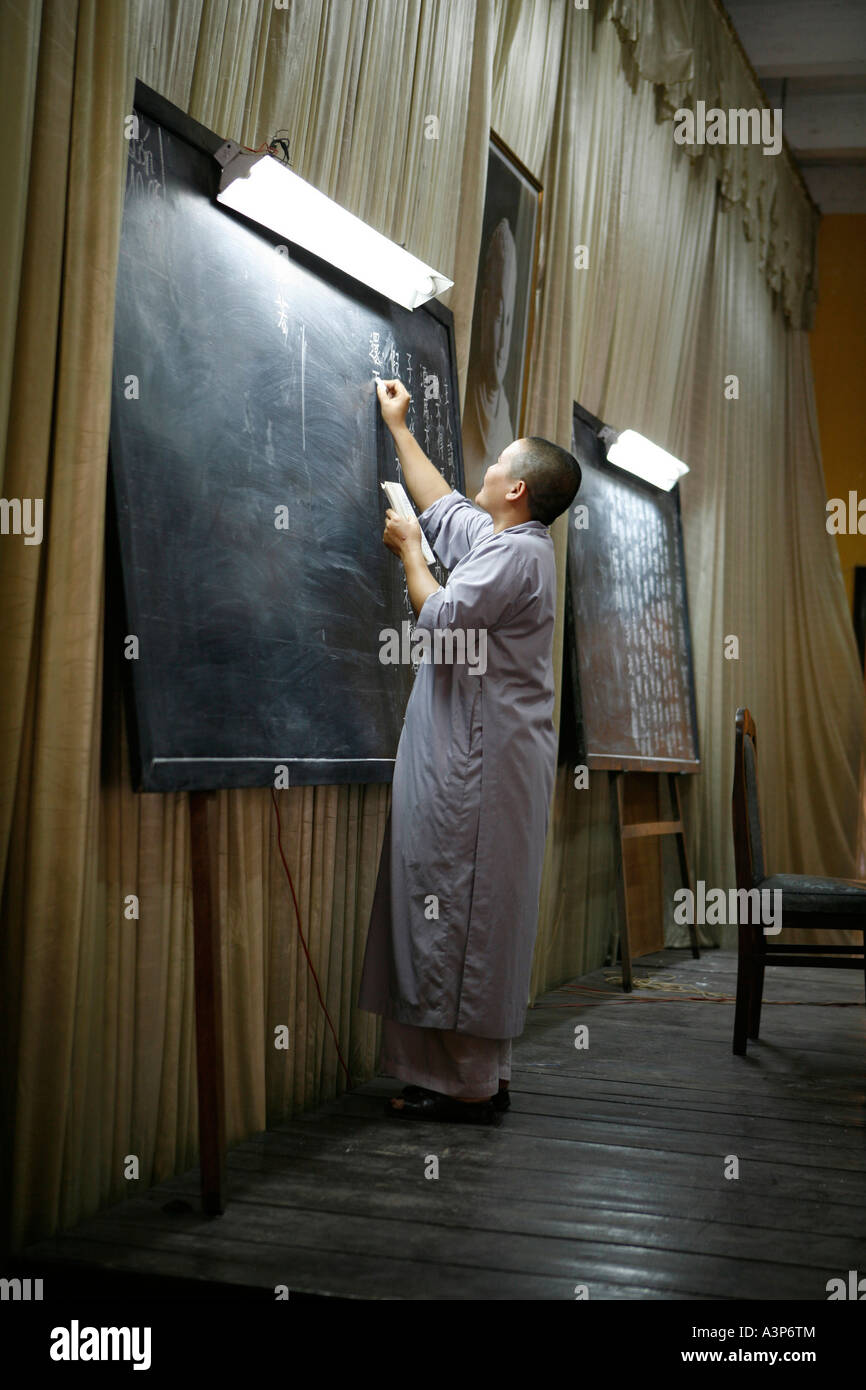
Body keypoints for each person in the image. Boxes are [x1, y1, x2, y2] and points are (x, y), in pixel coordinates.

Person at [358, 376, 581, 1124]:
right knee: (459, 906)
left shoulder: (516, 558)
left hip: (475, 767)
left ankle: (464, 1085)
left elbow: (443, 619)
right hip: (478, 756)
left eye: (497, 465)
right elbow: (444, 503)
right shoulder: (510, 542)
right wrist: (398, 428)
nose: (483, 471)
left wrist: (409, 553)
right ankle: (472, 1073)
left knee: (455, 908)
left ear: (516, 489)